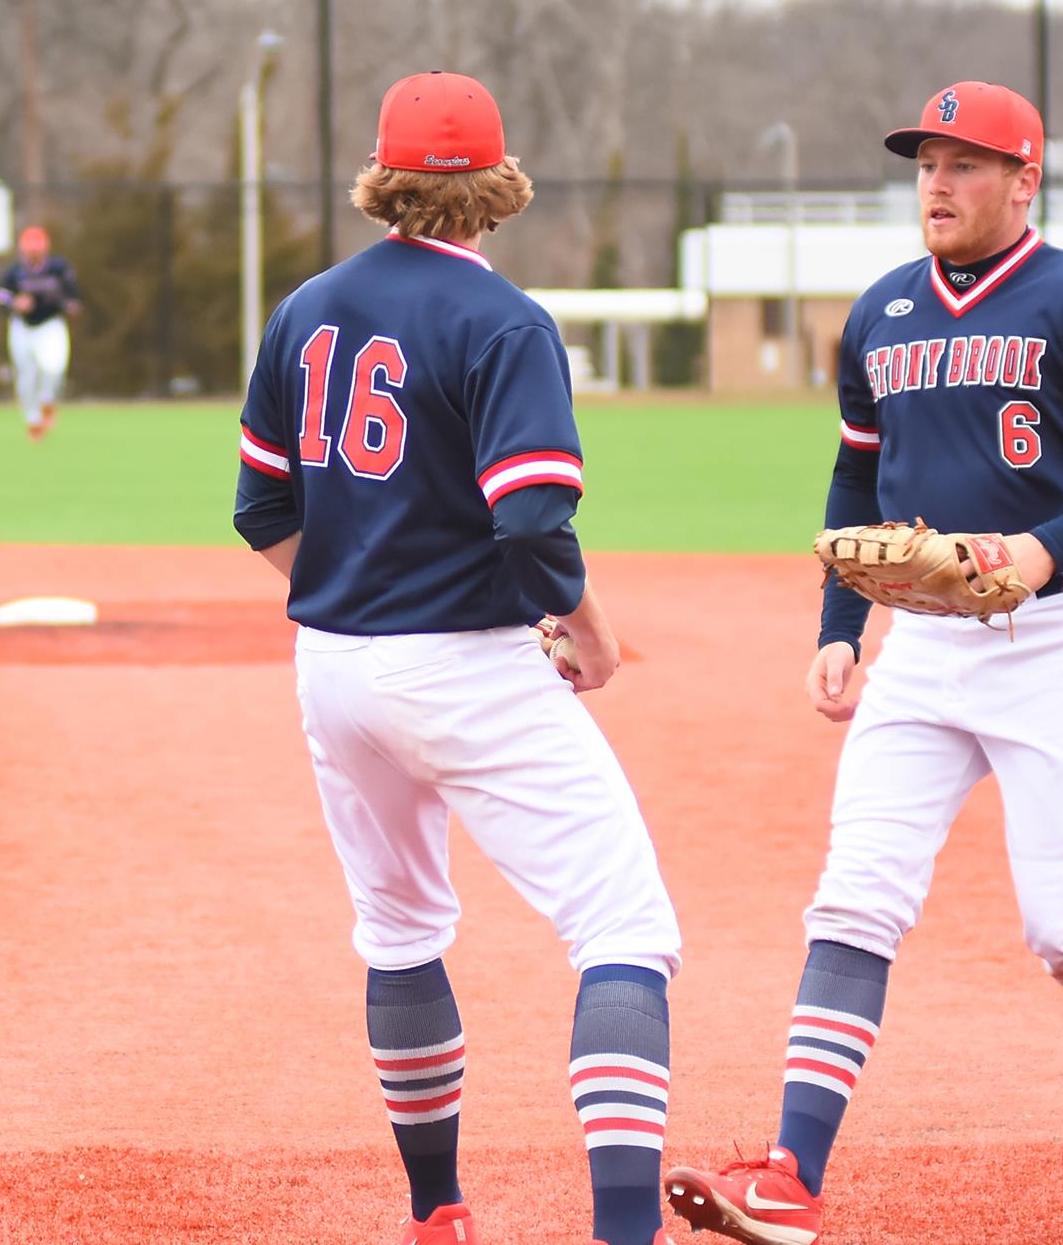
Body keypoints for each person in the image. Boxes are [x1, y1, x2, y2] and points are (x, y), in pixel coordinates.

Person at [661, 82, 1063, 1240]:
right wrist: (837, 628)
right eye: (927, 161)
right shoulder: (877, 314)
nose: (938, 182)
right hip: (921, 646)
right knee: (854, 896)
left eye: (966, 163)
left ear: (1025, 180)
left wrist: (1043, 547)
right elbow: (854, 488)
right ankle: (790, 1174)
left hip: (1058, 643)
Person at [232, 71, 681, 1245]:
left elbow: (261, 511)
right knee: (623, 928)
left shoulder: (305, 307)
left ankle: (438, 1212)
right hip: (468, 665)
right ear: (496, 187)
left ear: (383, 178)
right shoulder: (503, 321)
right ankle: (623, 1231)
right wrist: (583, 624)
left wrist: (360, 595)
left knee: (398, 930)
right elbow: (531, 521)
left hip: (331, 663)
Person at [0, 224, 80, 440]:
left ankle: (47, 400)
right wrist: (15, 303)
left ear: (45, 249)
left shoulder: (58, 268)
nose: (33, 254)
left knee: (54, 366)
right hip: (22, 327)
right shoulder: (14, 272)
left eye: (37, 249)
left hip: (50, 324)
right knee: (25, 376)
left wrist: (68, 304)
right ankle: (33, 421)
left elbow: (73, 294)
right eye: (29, 250)